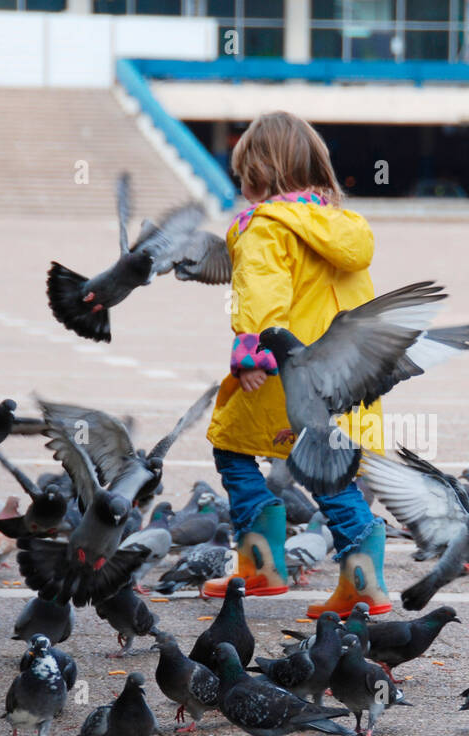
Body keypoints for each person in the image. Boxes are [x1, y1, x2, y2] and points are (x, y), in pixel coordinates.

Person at [202, 111, 391, 618]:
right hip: (345, 379)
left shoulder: (264, 226)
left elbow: (262, 297)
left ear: (259, 173)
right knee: (332, 475)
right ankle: (363, 582)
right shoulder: (344, 226)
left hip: (283, 376)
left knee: (230, 446)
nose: (243, 185)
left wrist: (250, 356)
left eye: (244, 174)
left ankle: (261, 564)